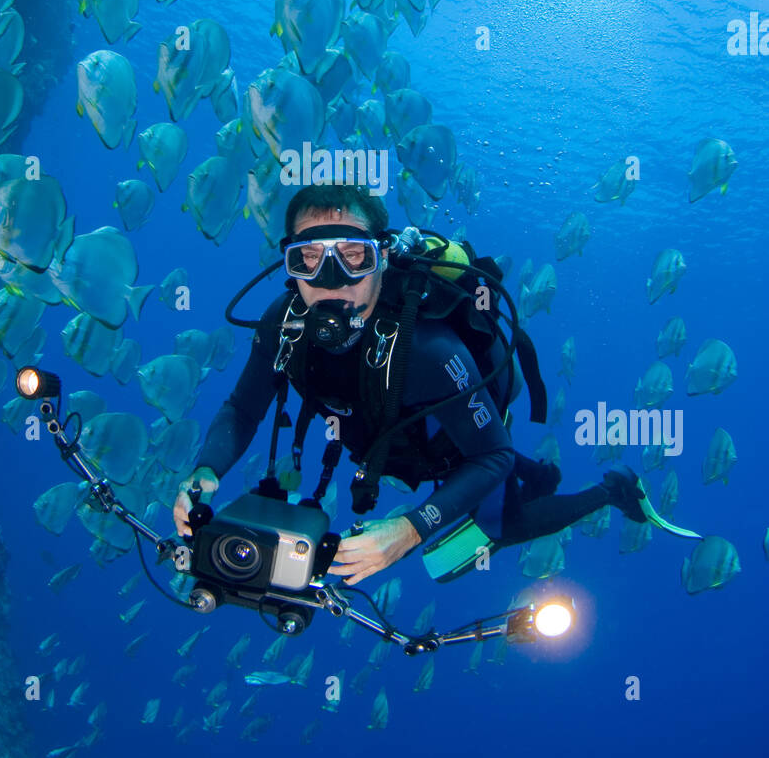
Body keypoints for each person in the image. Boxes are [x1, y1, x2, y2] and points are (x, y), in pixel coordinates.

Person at [172, 184, 649, 587]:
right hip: (392, 434)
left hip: (459, 443)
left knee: (500, 522)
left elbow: (491, 455)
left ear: (381, 258)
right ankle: (541, 475)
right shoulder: (285, 323)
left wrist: (411, 528)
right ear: (289, 265)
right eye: (310, 259)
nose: (331, 281)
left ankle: (612, 489)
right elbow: (243, 408)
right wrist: (205, 472)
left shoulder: (428, 351)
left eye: (353, 255)